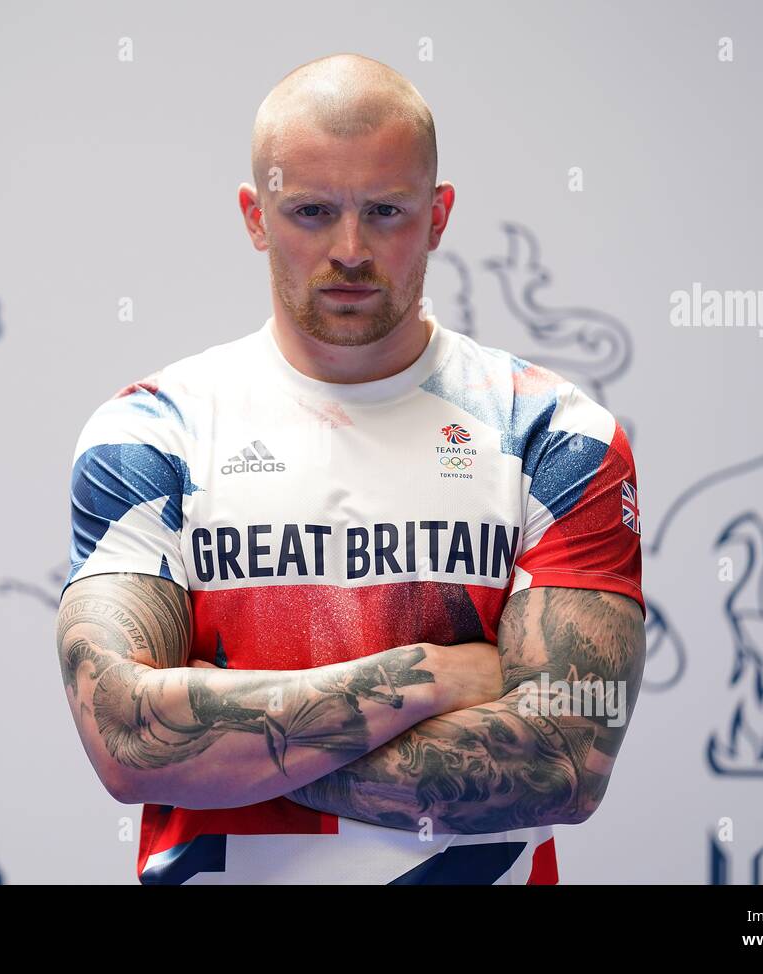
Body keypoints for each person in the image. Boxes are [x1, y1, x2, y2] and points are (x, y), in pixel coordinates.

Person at [56, 53, 646, 884]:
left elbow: (565, 759)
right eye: (310, 211)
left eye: (386, 211)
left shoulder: (553, 433)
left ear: (438, 216)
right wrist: (433, 678)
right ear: (255, 216)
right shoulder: (154, 433)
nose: (350, 249)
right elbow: (123, 739)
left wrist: (223, 739)